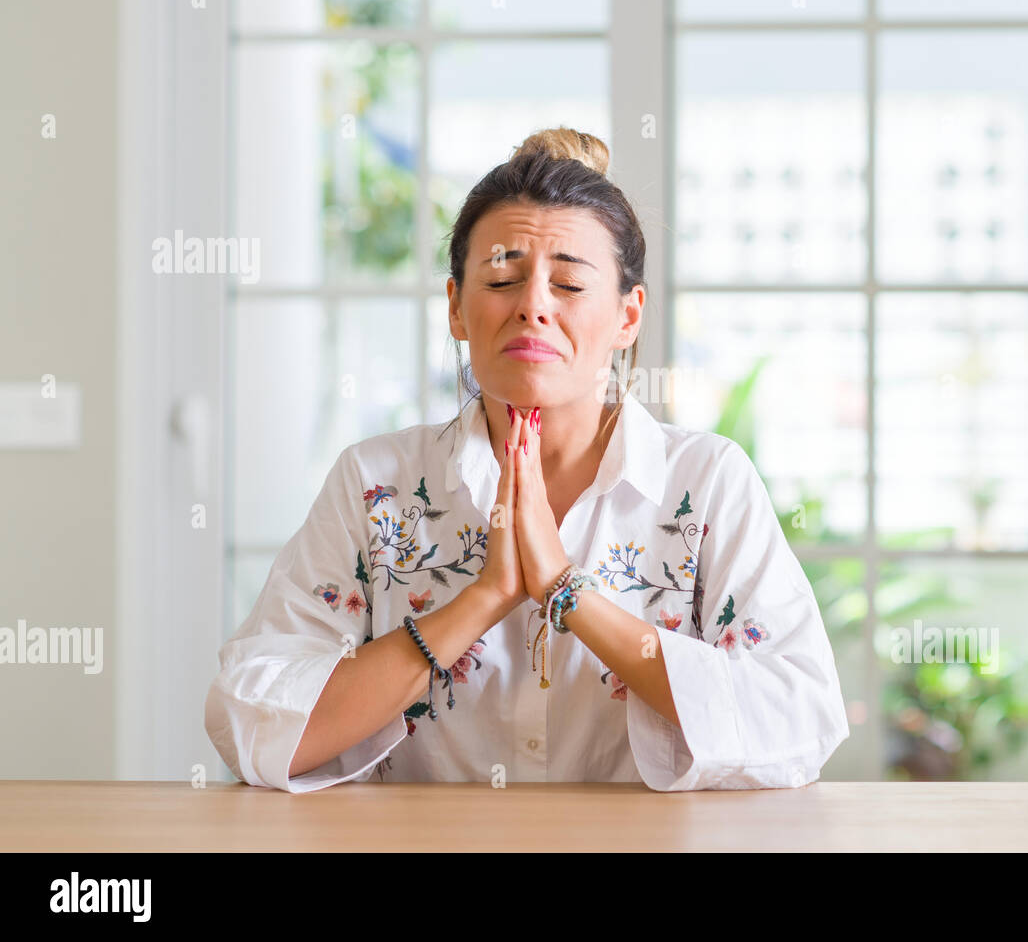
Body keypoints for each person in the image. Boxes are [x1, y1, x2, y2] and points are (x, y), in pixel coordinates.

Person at [204, 127, 851, 793]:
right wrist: (482, 599)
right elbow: (252, 724)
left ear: (628, 316)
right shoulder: (376, 484)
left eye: (569, 284)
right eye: (503, 278)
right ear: (455, 306)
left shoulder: (707, 481)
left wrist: (567, 591)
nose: (533, 307)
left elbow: (799, 723)